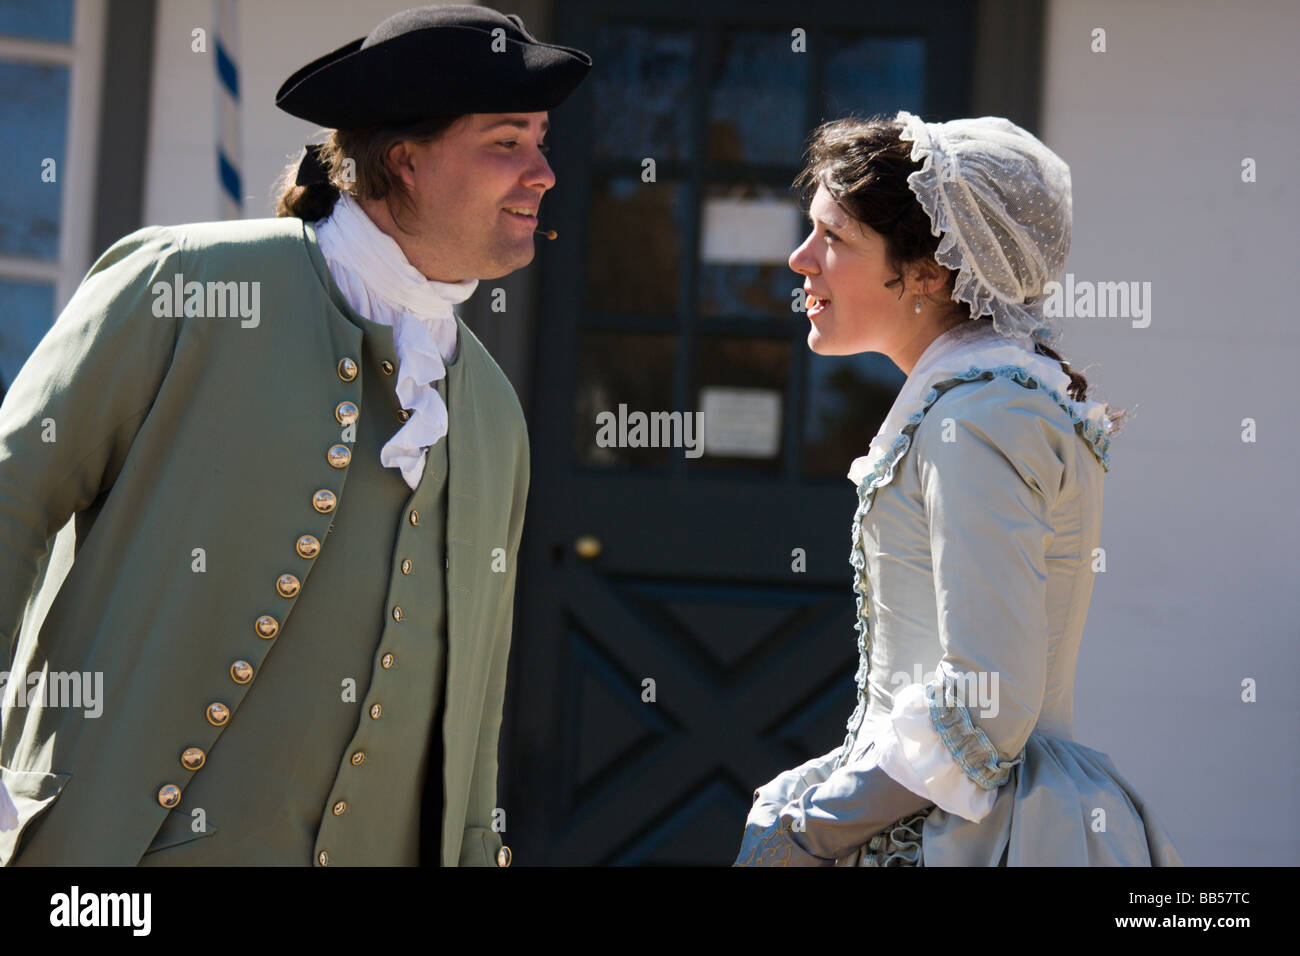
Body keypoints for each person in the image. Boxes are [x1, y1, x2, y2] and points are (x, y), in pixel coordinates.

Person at [0, 5, 589, 867]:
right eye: (507, 142)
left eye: (541, 142)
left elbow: (475, 712)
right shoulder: (186, 287)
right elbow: (12, 493)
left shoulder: (495, 412)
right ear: (406, 161)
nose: (542, 173)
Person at [733, 111, 1183, 866]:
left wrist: (808, 833)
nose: (799, 258)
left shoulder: (979, 417)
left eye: (832, 238)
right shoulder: (980, 401)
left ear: (929, 275)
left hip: (987, 836)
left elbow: (987, 701)